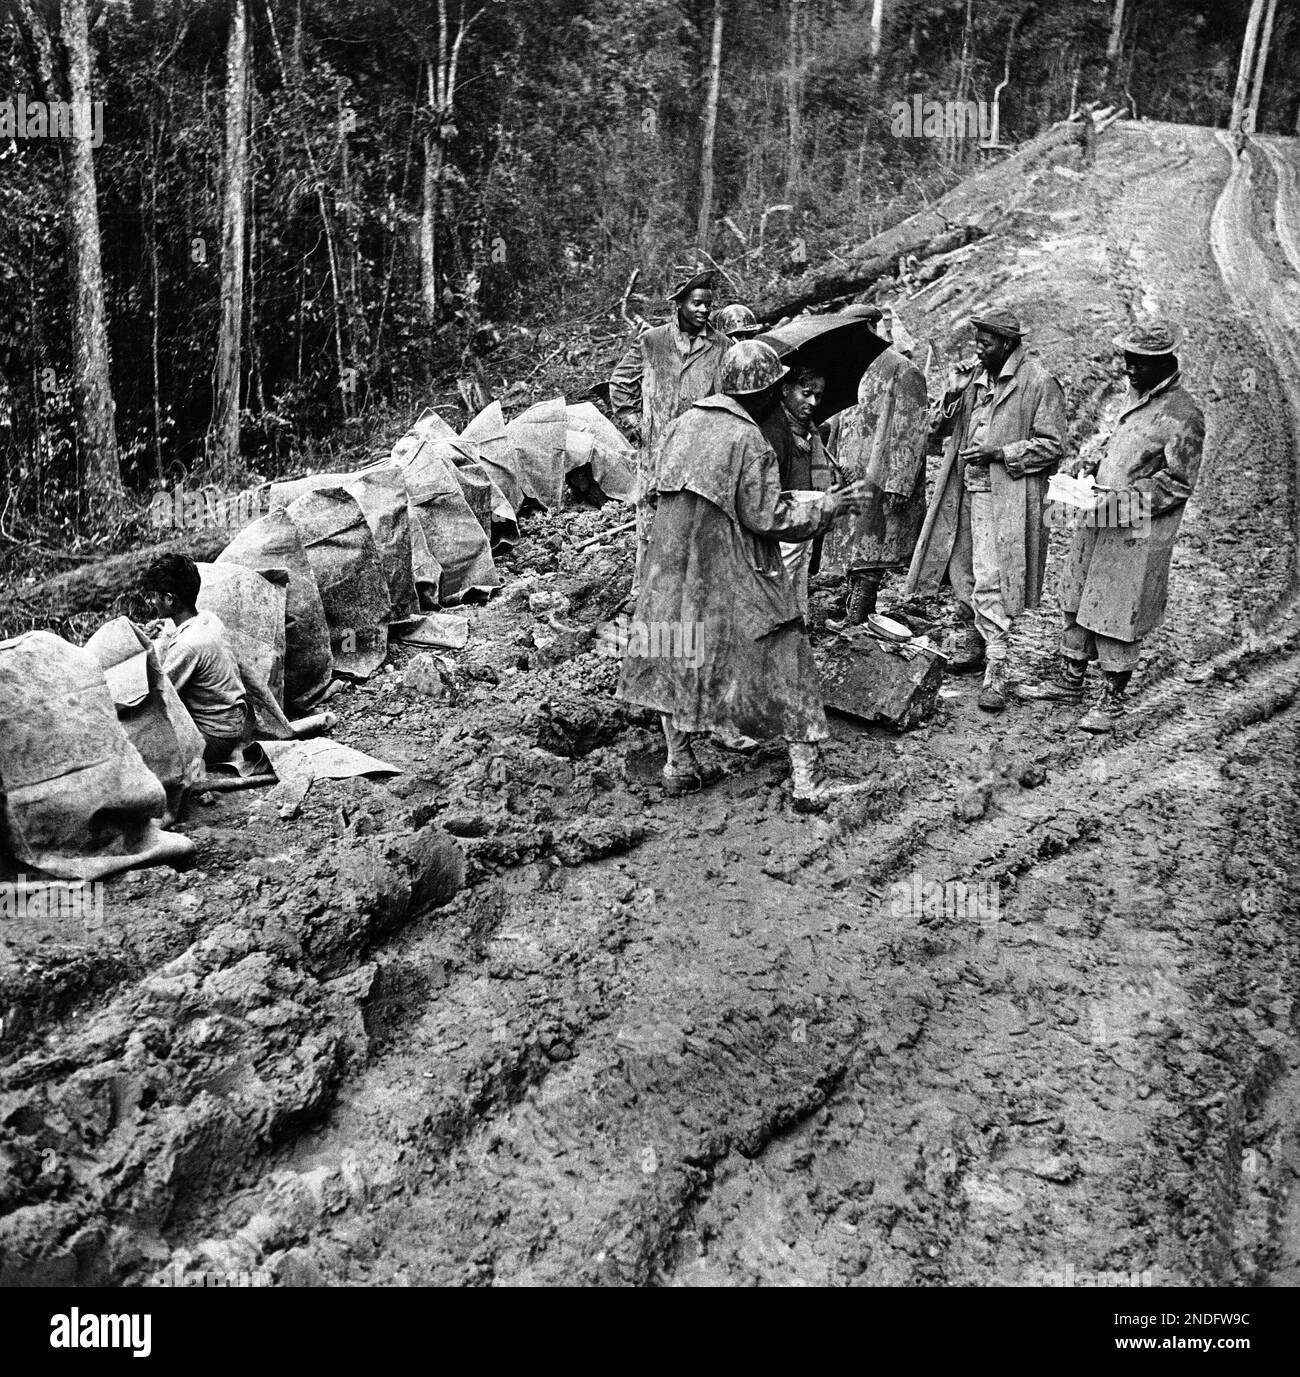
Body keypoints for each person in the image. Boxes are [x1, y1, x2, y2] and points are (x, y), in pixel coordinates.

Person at [616, 339, 870, 813]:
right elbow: (767, 517)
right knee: (786, 651)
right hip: (730, 566)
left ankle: (679, 764)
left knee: (677, 649)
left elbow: (654, 490)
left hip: (671, 566)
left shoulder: (683, 424)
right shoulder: (749, 440)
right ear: (766, 391)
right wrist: (829, 507)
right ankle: (808, 783)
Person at [905, 309, 1066, 712]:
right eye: (976, 340)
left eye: (985, 342)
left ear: (1008, 344)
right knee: (963, 573)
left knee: (993, 577)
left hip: (1004, 496)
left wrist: (1000, 453)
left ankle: (998, 665)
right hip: (962, 492)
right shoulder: (974, 382)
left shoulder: (1039, 383)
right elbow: (933, 430)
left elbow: (1052, 446)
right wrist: (953, 390)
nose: (978, 348)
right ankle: (976, 645)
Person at [1050, 321, 1205, 733]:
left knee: (1120, 611)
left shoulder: (1184, 415)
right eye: (1127, 360)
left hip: (1136, 532)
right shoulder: (1137, 397)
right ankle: (1069, 680)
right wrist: (1092, 462)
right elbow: (1119, 444)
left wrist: (1119, 500)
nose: (1129, 369)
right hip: (1099, 515)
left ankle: (1112, 699)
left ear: (1164, 363)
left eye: (1138, 363)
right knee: (1078, 591)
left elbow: (1177, 483)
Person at [609, 268, 730, 596]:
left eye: (708, 304)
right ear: (679, 304)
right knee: (652, 519)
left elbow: (730, 395)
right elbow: (620, 383)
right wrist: (636, 425)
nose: (704, 310)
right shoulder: (653, 341)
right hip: (657, 449)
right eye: (696, 303)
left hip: (700, 449)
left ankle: (688, 594)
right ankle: (645, 593)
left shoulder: (721, 345)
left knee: (697, 518)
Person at [823, 304, 929, 625]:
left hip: (882, 476)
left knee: (873, 548)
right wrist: (830, 461)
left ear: (872, 327)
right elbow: (837, 422)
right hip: (850, 474)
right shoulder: (848, 368)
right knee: (855, 547)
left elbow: (911, 430)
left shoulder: (903, 370)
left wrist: (899, 481)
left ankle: (860, 615)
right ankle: (852, 613)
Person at [142, 553, 247, 764]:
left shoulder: (187, 645)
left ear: (170, 599)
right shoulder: (208, 619)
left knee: (143, 742)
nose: (152, 601)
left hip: (215, 738)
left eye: (154, 596)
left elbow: (161, 695)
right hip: (232, 723)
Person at [759, 366, 836, 621]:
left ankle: (794, 635)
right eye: (806, 393)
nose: (813, 402)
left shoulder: (811, 432)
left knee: (797, 585)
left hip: (803, 521)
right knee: (778, 587)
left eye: (819, 396)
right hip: (782, 523)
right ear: (785, 390)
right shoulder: (773, 431)